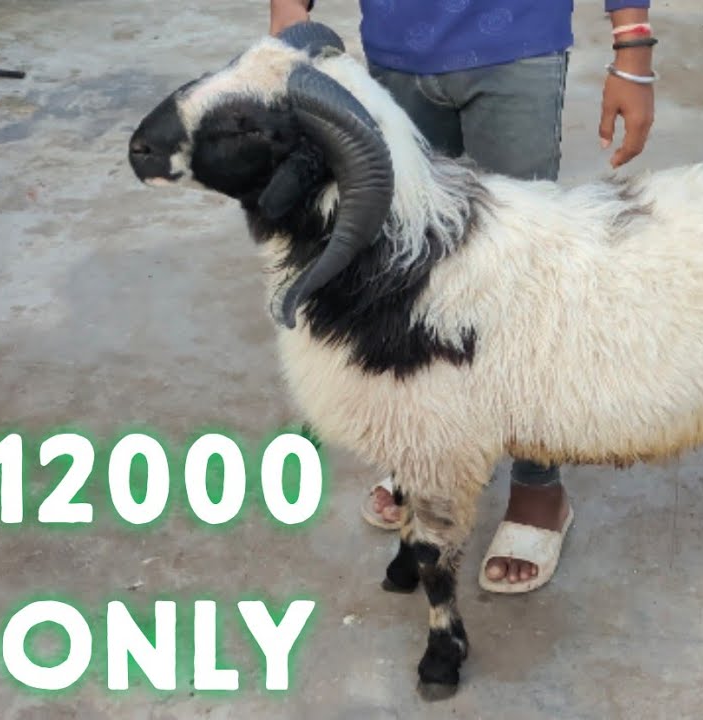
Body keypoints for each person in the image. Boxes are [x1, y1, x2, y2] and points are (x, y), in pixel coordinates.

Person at [269, 0, 656, 593]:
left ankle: (538, 484)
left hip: (515, 45)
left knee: (522, 276)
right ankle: (420, 461)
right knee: (404, 265)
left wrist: (633, 50)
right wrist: (290, 11)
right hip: (398, 47)